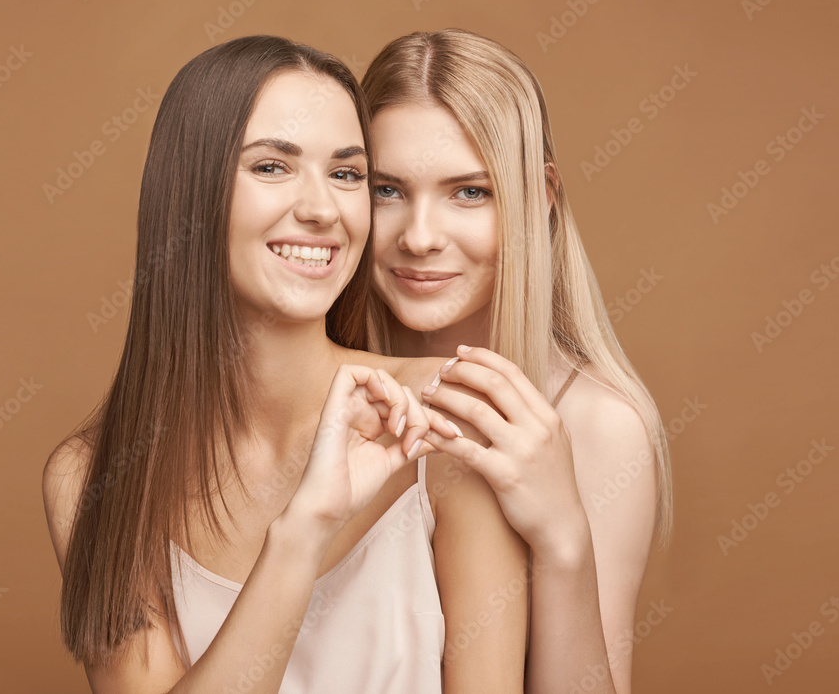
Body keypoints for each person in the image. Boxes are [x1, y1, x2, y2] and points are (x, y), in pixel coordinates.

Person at [41, 35, 529, 694]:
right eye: (272, 167)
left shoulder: (448, 421)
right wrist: (302, 533)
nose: (323, 209)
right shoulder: (93, 478)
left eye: (348, 174)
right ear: (190, 194)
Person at [361, 28, 673, 694]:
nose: (419, 237)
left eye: (469, 193)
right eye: (386, 190)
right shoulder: (322, 392)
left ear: (542, 197)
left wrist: (562, 539)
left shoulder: (597, 424)